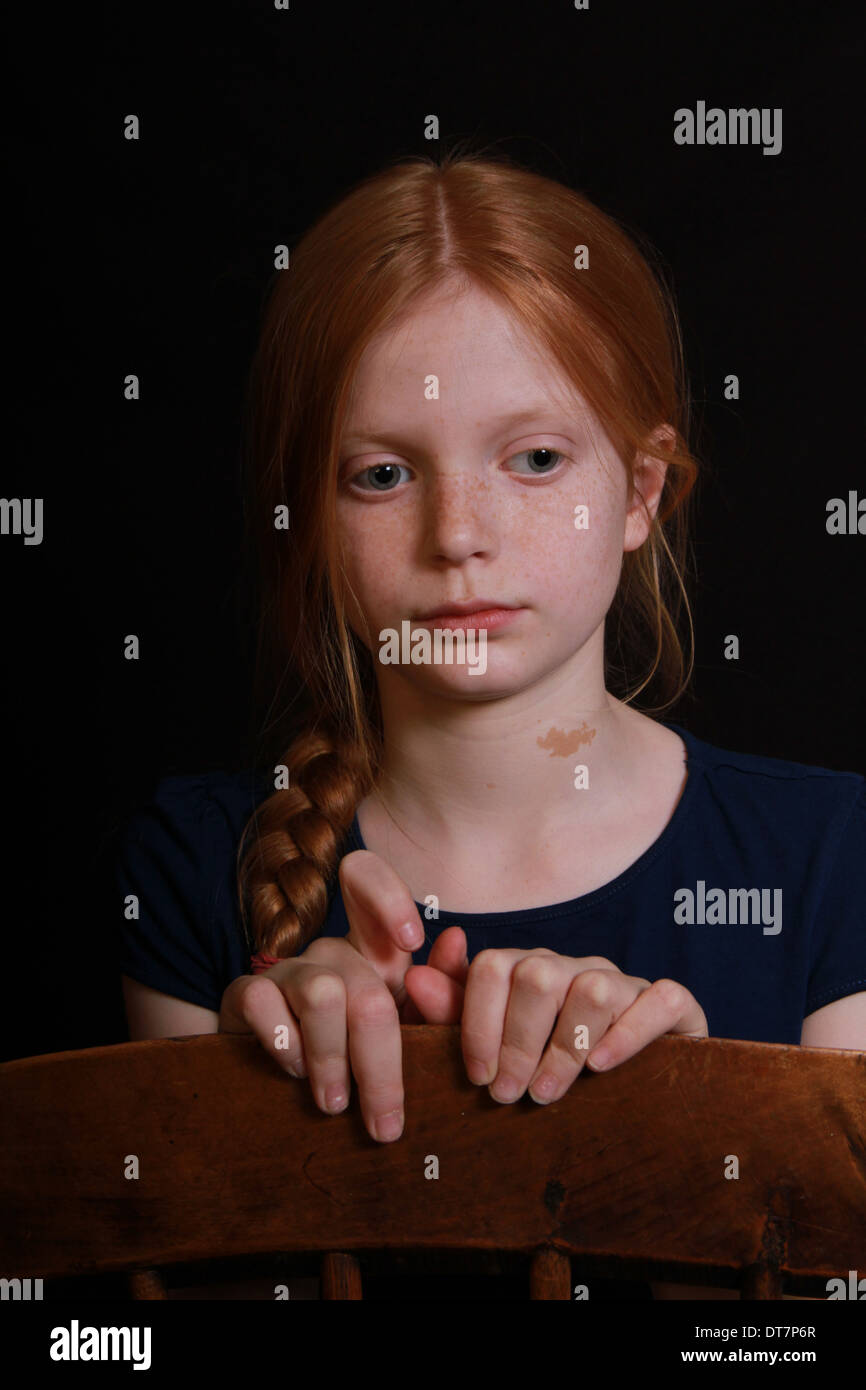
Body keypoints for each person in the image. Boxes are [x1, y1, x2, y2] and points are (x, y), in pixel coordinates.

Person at [116, 150, 865, 1300]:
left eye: (532, 459)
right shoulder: (190, 865)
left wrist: (693, 1129)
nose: (457, 533)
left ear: (639, 489)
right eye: (379, 474)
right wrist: (257, 1092)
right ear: (308, 514)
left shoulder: (828, 857)